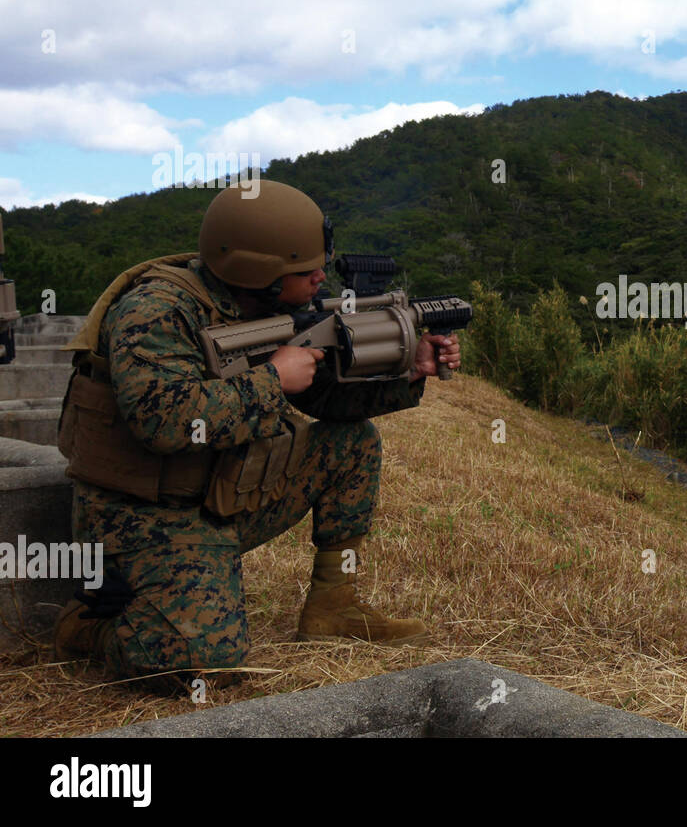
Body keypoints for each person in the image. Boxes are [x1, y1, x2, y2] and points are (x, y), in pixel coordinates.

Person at [52, 179, 459, 690]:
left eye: (319, 265)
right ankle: (89, 627)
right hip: (140, 515)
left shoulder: (264, 307)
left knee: (352, 443)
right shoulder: (155, 310)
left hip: (219, 494)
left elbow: (327, 401)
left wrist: (413, 373)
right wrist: (272, 380)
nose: (319, 279)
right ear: (259, 273)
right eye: (305, 271)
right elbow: (163, 421)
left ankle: (335, 607)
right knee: (199, 666)